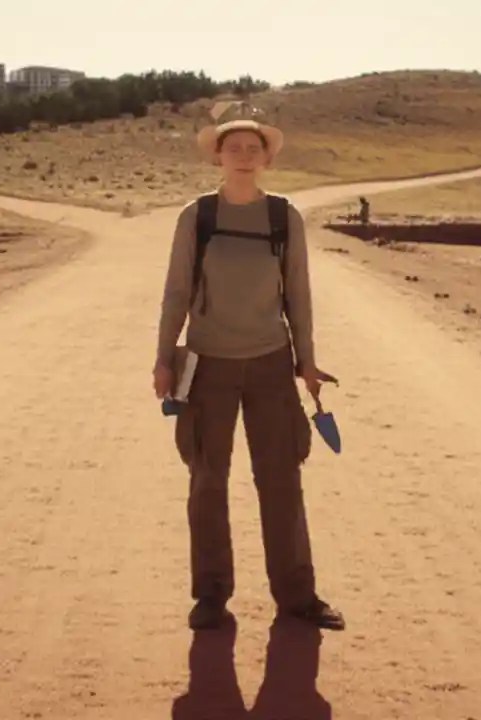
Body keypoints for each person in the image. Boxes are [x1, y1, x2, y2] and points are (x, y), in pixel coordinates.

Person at [153, 107, 345, 633]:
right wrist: (164, 358)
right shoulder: (197, 217)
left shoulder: (284, 218)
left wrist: (306, 362)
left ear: (266, 159)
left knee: (281, 480)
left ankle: (298, 597)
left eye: (252, 148)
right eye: (233, 147)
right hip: (208, 365)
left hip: (269, 364)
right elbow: (176, 292)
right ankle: (210, 597)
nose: (243, 156)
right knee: (207, 482)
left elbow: (298, 294)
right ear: (217, 156)